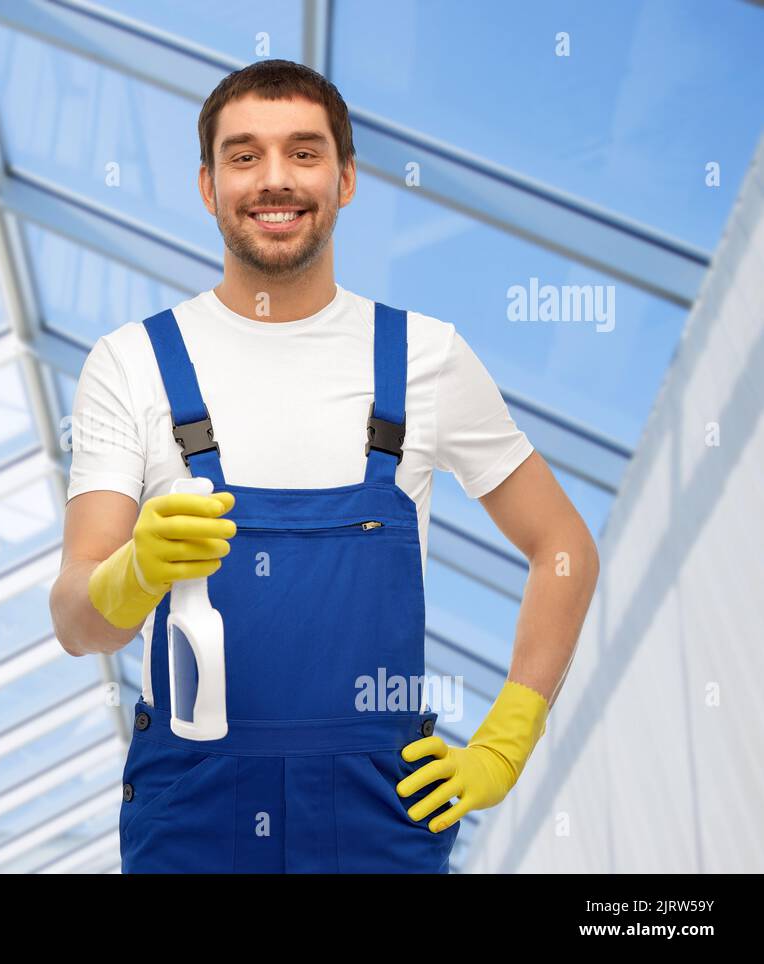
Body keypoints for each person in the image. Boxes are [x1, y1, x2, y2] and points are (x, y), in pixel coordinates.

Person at [49, 59, 599, 873]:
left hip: (382, 800)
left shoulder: (424, 358)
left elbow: (563, 548)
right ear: (208, 186)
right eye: (244, 156)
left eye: (304, 153)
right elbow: (77, 622)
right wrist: (133, 572)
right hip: (191, 805)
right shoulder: (132, 364)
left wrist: (505, 741)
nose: (275, 180)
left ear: (346, 179)